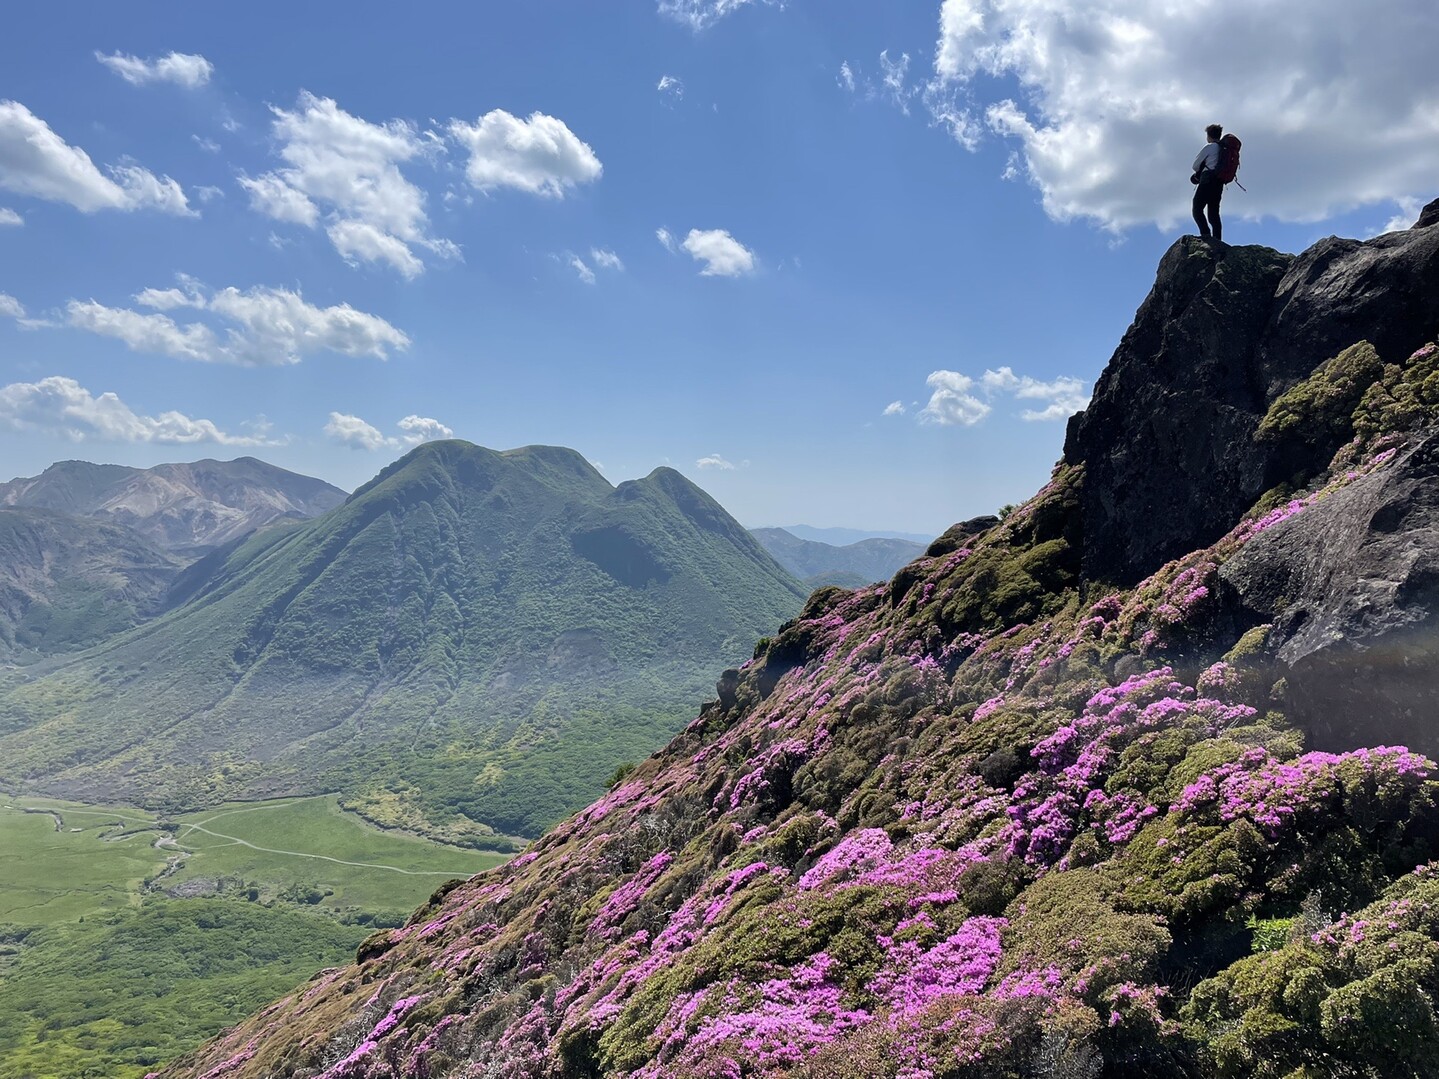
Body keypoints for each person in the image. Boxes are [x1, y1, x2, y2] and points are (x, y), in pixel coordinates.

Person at [1190, 123, 1224, 242]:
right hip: (1219, 182)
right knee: (1214, 213)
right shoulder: (1223, 149)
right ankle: (1217, 240)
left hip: (1207, 180)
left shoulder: (1210, 147)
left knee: (1197, 208)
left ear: (1209, 136)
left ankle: (1206, 235)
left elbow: (1195, 166)